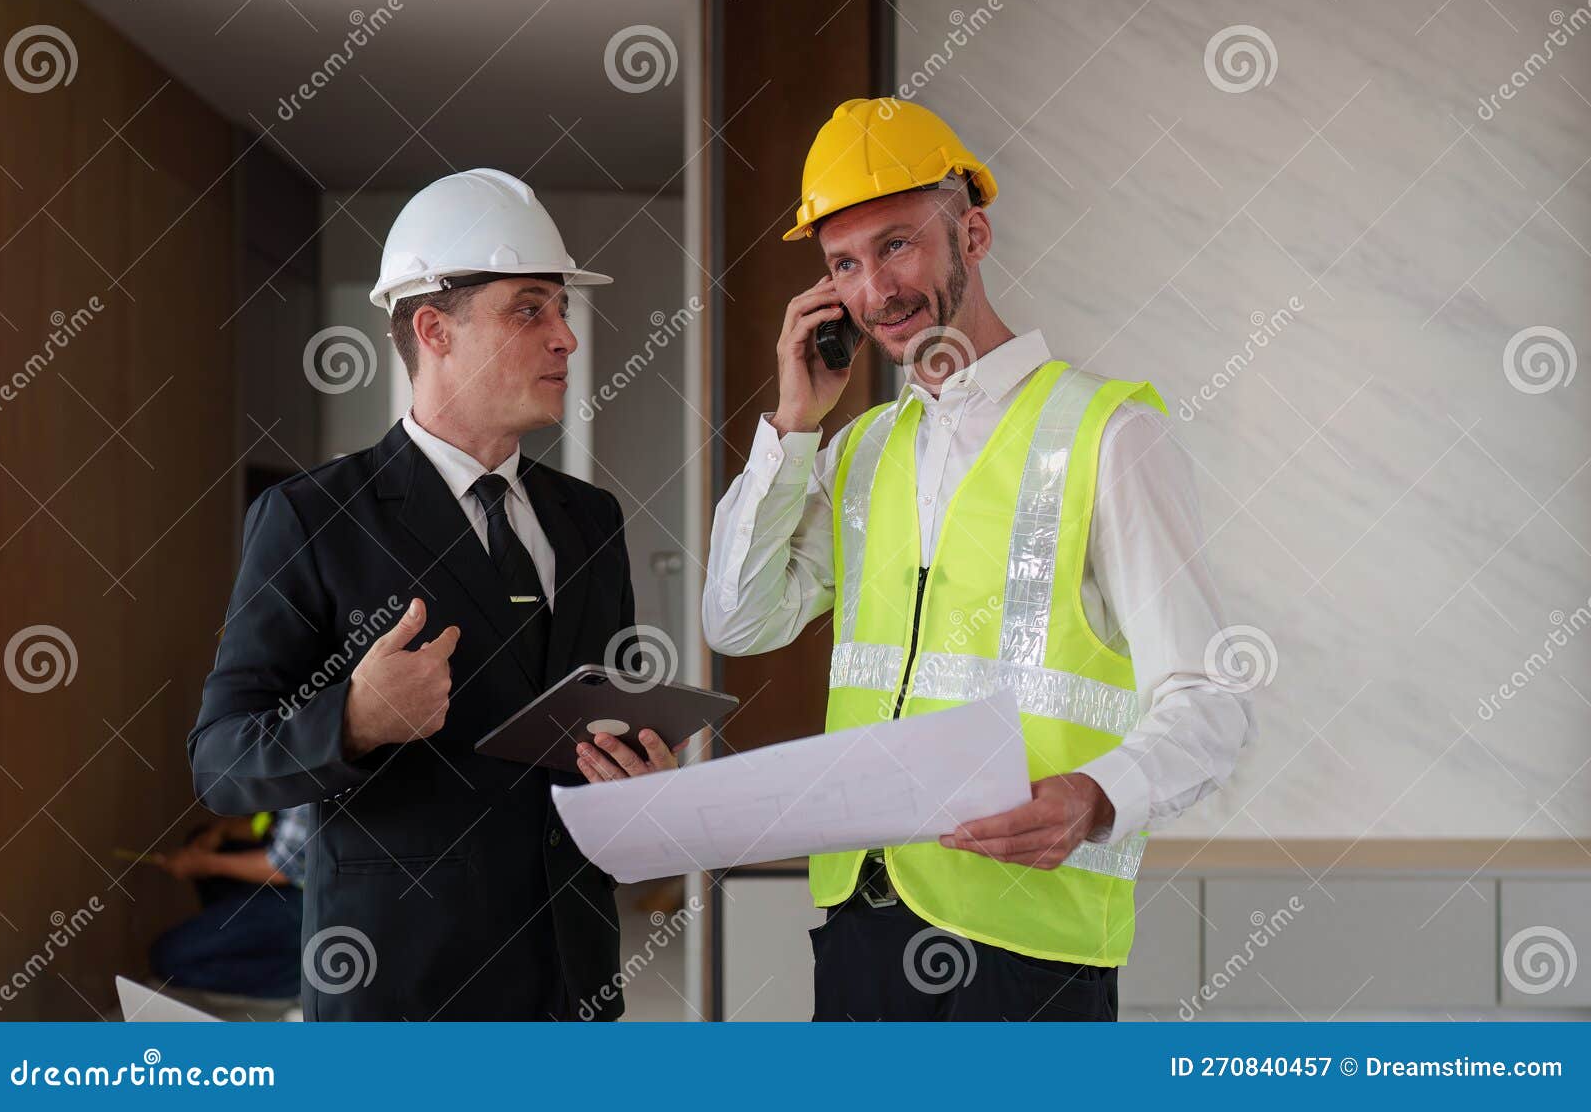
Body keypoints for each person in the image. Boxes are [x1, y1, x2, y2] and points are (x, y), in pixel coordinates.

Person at [700, 98, 1255, 1020]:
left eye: (898, 246)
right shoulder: (862, 449)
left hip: (1026, 945)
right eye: (845, 263)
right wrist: (793, 428)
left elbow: (1212, 700)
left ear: (974, 234)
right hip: (860, 928)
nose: (875, 291)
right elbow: (740, 618)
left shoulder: (1107, 433)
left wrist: (1095, 797)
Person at [188, 168, 679, 1020]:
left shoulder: (590, 519)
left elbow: (596, 724)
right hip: (402, 993)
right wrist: (352, 720)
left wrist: (638, 781)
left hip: (573, 984)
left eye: (561, 309)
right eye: (531, 309)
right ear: (433, 330)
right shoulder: (312, 519)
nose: (566, 337)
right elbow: (223, 761)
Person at [147, 808, 306, 1000]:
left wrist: (206, 864)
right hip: (297, 883)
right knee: (202, 839)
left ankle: (298, 976)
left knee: (169, 960)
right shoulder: (288, 787)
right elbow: (275, 825)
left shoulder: (310, 786)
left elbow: (283, 867)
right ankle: (248, 939)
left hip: (315, 904)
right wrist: (222, 831)